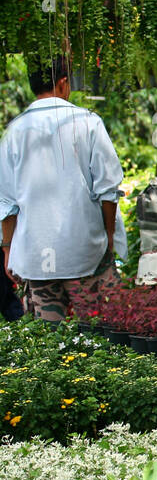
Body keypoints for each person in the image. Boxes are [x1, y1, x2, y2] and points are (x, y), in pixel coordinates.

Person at [0, 56, 123, 323]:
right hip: (85, 252)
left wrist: (8, 248)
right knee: (102, 332)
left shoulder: (14, 131)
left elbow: (6, 203)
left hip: (36, 254)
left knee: (47, 336)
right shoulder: (88, 122)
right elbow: (108, 190)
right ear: (64, 83)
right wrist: (109, 237)